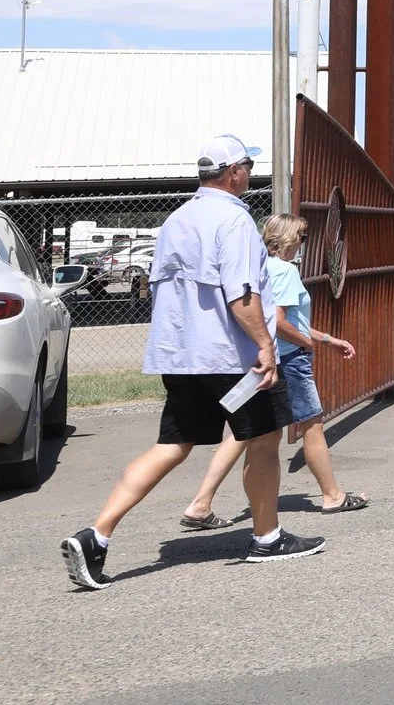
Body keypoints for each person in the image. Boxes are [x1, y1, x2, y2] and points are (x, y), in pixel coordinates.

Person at [61, 135, 323, 590]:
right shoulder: (235, 221)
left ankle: (96, 535)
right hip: (231, 356)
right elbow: (242, 295)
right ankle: (267, 537)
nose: (250, 172)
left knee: (172, 444)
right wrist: (265, 346)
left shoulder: (176, 220)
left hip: (182, 354)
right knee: (264, 439)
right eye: (247, 166)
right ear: (234, 173)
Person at [177, 216, 367, 528]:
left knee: (244, 431)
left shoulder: (259, 268)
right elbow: (279, 322)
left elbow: (280, 321)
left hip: (259, 357)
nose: (303, 243)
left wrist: (326, 339)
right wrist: (307, 343)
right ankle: (332, 495)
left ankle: (200, 503)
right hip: (289, 359)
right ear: (289, 238)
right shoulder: (286, 271)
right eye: (302, 237)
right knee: (312, 425)